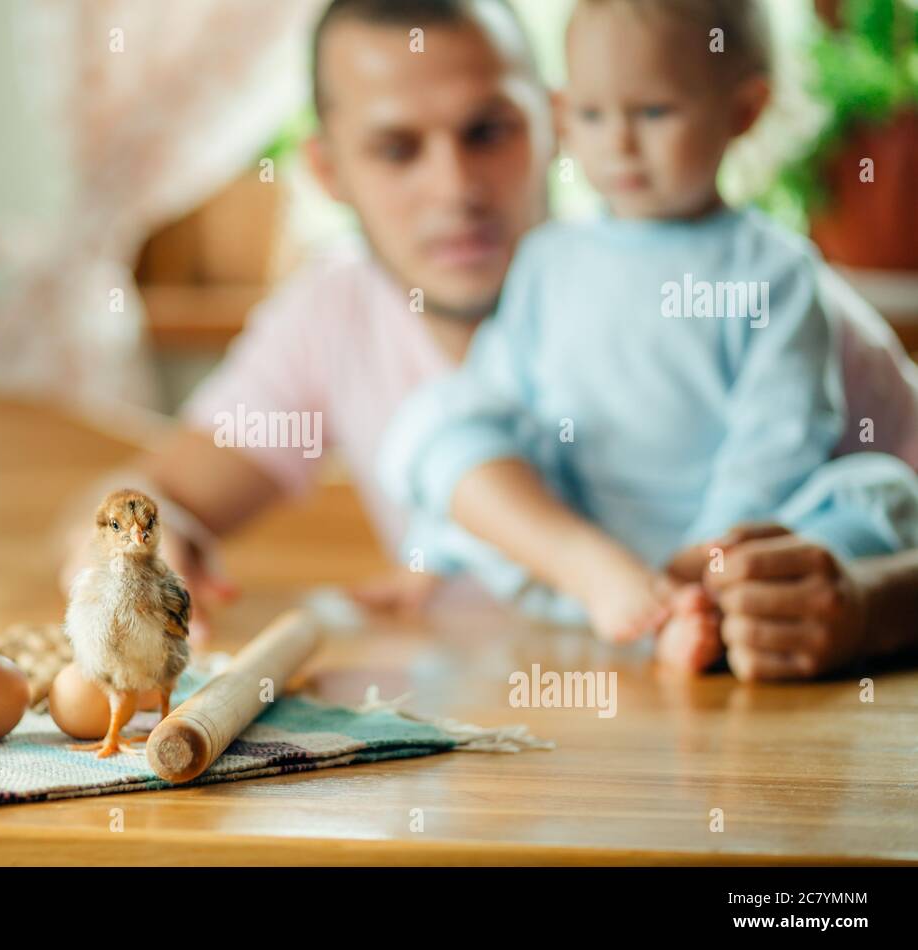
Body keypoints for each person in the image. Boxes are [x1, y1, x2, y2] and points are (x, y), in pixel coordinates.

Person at [58, 0, 918, 682]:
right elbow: (141, 493)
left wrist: (872, 605)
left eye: (487, 131)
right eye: (398, 148)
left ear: (550, 124)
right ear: (330, 172)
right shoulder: (332, 314)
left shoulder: (763, 292)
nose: (456, 187)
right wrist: (134, 551)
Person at [375, 0, 918, 673]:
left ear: (744, 112)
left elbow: (782, 432)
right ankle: (623, 589)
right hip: (583, 555)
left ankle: (695, 616)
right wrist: (431, 555)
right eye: (593, 115)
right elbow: (492, 413)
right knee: (432, 419)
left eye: (654, 112)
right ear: (563, 113)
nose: (619, 143)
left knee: (881, 493)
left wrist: (712, 553)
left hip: (731, 553)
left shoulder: (775, 268)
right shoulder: (548, 258)